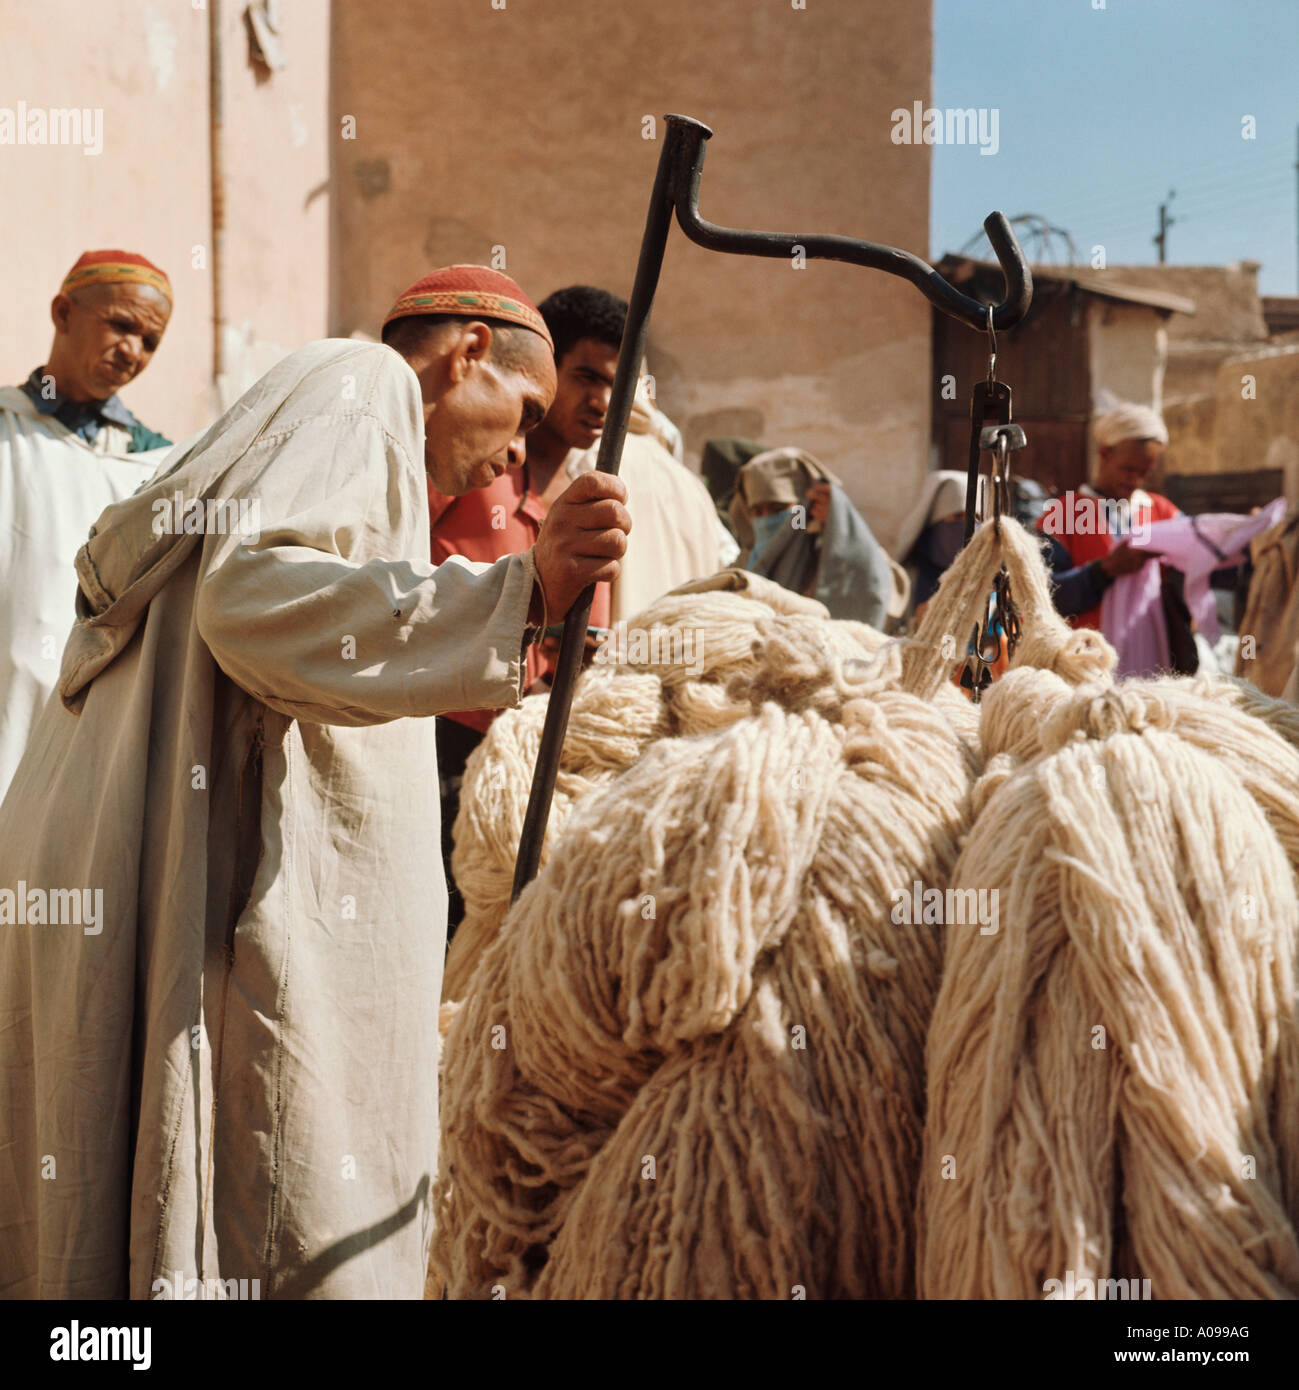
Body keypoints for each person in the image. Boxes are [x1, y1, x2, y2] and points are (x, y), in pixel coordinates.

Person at [0, 264, 630, 1299]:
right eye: (522, 412)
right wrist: (521, 592)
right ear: (468, 350)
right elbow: (255, 603)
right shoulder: (363, 387)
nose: (518, 453)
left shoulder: (312, 410)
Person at [0, 250, 175, 799]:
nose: (133, 352)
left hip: (90, 723)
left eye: (149, 341)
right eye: (121, 326)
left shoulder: (157, 464)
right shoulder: (7, 427)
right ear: (63, 313)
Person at [1039, 399, 1193, 676]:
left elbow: (1200, 558)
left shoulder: (1161, 511)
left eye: (1144, 472)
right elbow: (1044, 596)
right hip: (1083, 667)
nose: (1135, 481)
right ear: (1104, 454)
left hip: (1152, 661)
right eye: (1128, 469)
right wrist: (1104, 570)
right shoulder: (1062, 515)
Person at [730, 446, 906, 628]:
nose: (767, 518)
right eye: (757, 511)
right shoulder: (744, 565)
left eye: (778, 508)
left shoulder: (836, 562)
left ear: (806, 506)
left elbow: (879, 590)